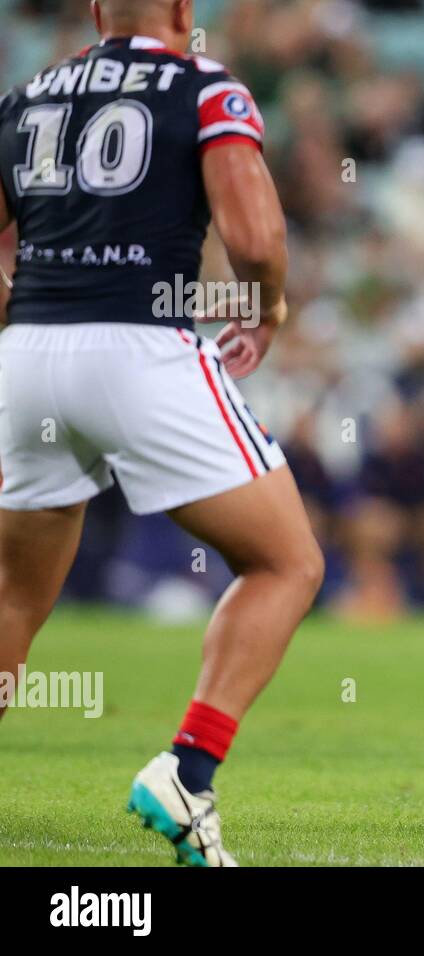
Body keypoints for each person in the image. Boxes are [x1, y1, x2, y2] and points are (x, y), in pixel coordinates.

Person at [0, 0, 323, 866]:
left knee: (13, 597)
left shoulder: (30, 93)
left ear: (99, 11)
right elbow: (255, 234)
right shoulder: (205, 85)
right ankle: (188, 769)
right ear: (183, 10)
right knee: (287, 562)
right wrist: (266, 306)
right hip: (142, 350)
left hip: (26, 351)